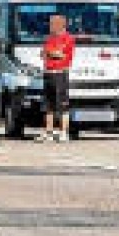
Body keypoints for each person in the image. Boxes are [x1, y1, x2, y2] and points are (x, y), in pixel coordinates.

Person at [40, 13, 75, 143]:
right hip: (48, 72)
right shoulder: (50, 38)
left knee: (62, 105)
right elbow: (43, 53)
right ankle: (48, 132)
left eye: (53, 24)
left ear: (61, 24)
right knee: (48, 105)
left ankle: (64, 132)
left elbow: (60, 54)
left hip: (60, 74)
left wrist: (49, 52)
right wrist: (49, 52)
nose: (50, 26)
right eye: (50, 24)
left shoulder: (68, 39)